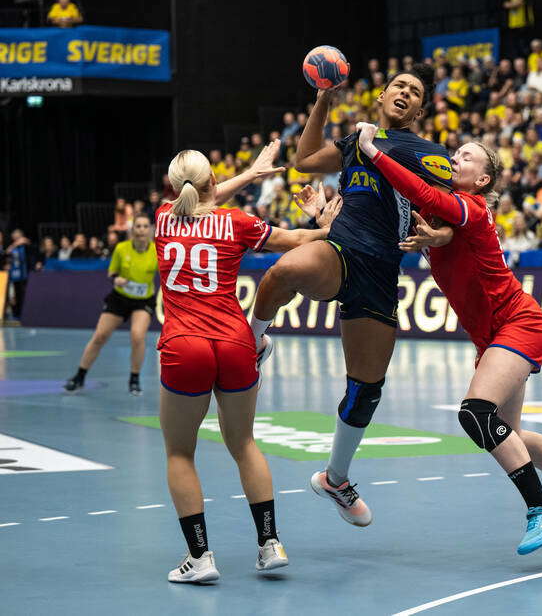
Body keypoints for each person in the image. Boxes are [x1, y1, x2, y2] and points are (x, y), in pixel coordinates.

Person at [356, 122, 542, 554]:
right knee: (512, 434)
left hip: (518, 323)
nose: (456, 158)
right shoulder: (442, 219)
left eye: (467, 157)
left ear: (484, 179)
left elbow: (430, 196)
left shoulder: (470, 206)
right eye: (455, 154)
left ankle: (540, 509)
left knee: (475, 414)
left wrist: (373, 151)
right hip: (491, 337)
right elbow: (424, 211)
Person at [249, 66, 453, 528]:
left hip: (382, 274)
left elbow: (448, 207)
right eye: (399, 85)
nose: (404, 92)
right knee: (286, 269)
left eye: (414, 92)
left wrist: (436, 235)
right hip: (340, 249)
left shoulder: (428, 153)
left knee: (365, 391)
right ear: (382, 95)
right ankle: (255, 341)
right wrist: (323, 97)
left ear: (420, 111)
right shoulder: (355, 143)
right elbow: (303, 160)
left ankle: (336, 478)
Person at [155, 141, 341, 583]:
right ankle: (270, 544)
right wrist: (326, 226)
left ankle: (200, 558)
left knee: (180, 452)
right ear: (213, 183)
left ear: (173, 187)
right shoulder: (237, 223)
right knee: (244, 444)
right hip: (236, 342)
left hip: (185, 345)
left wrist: (249, 177)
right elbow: (295, 240)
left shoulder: (164, 218)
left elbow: (197, 199)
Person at [63, 215, 158, 396]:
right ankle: (79, 376)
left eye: (145, 227)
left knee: (137, 336)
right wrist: (117, 279)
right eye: (138, 226)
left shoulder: (156, 251)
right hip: (120, 298)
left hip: (143, 300)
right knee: (100, 336)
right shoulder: (122, 249)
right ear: (132, 230)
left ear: (150, 231)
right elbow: (111, 273)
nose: (141, 230)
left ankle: (134, 379)